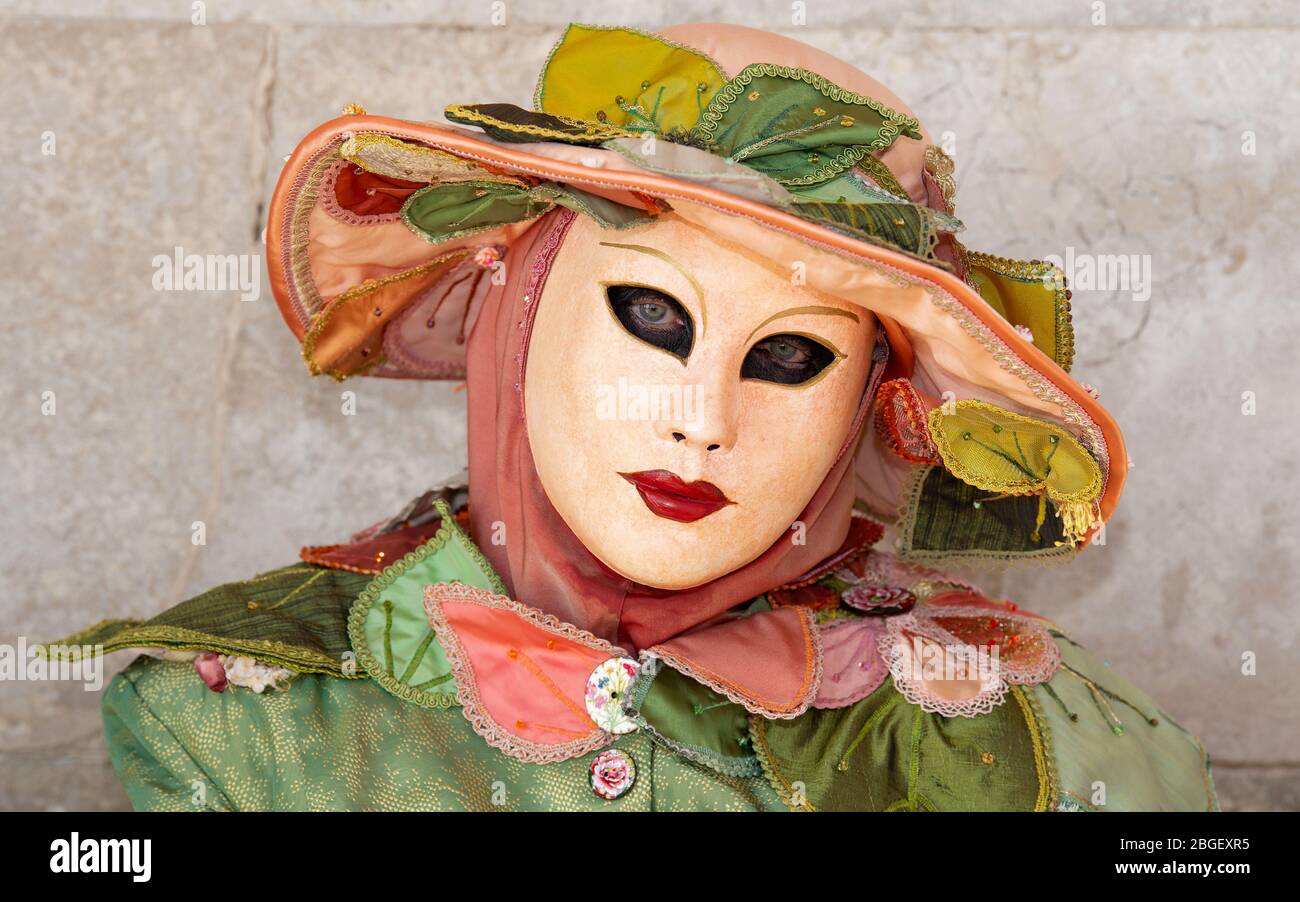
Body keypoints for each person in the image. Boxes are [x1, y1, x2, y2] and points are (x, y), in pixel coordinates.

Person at [51, 22, 1215, 811]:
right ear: (510, 310)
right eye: (653, 314)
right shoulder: (239, 725)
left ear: (867, 401)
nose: (701, 423)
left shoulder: (1017, 729)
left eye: (794, 355)